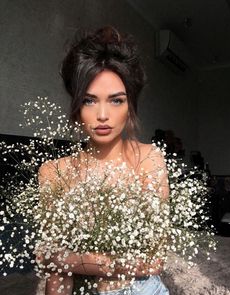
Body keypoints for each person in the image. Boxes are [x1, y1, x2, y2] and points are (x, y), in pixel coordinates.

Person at [38, 26, 169, 295]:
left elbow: (155, 260)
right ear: (76, 108)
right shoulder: (53, 172)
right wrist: (58, 261)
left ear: (130, 105)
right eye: (89, 101)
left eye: (116, 101)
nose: (102, 115)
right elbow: (54, 270)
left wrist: (71, 260)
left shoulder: (148, 160)